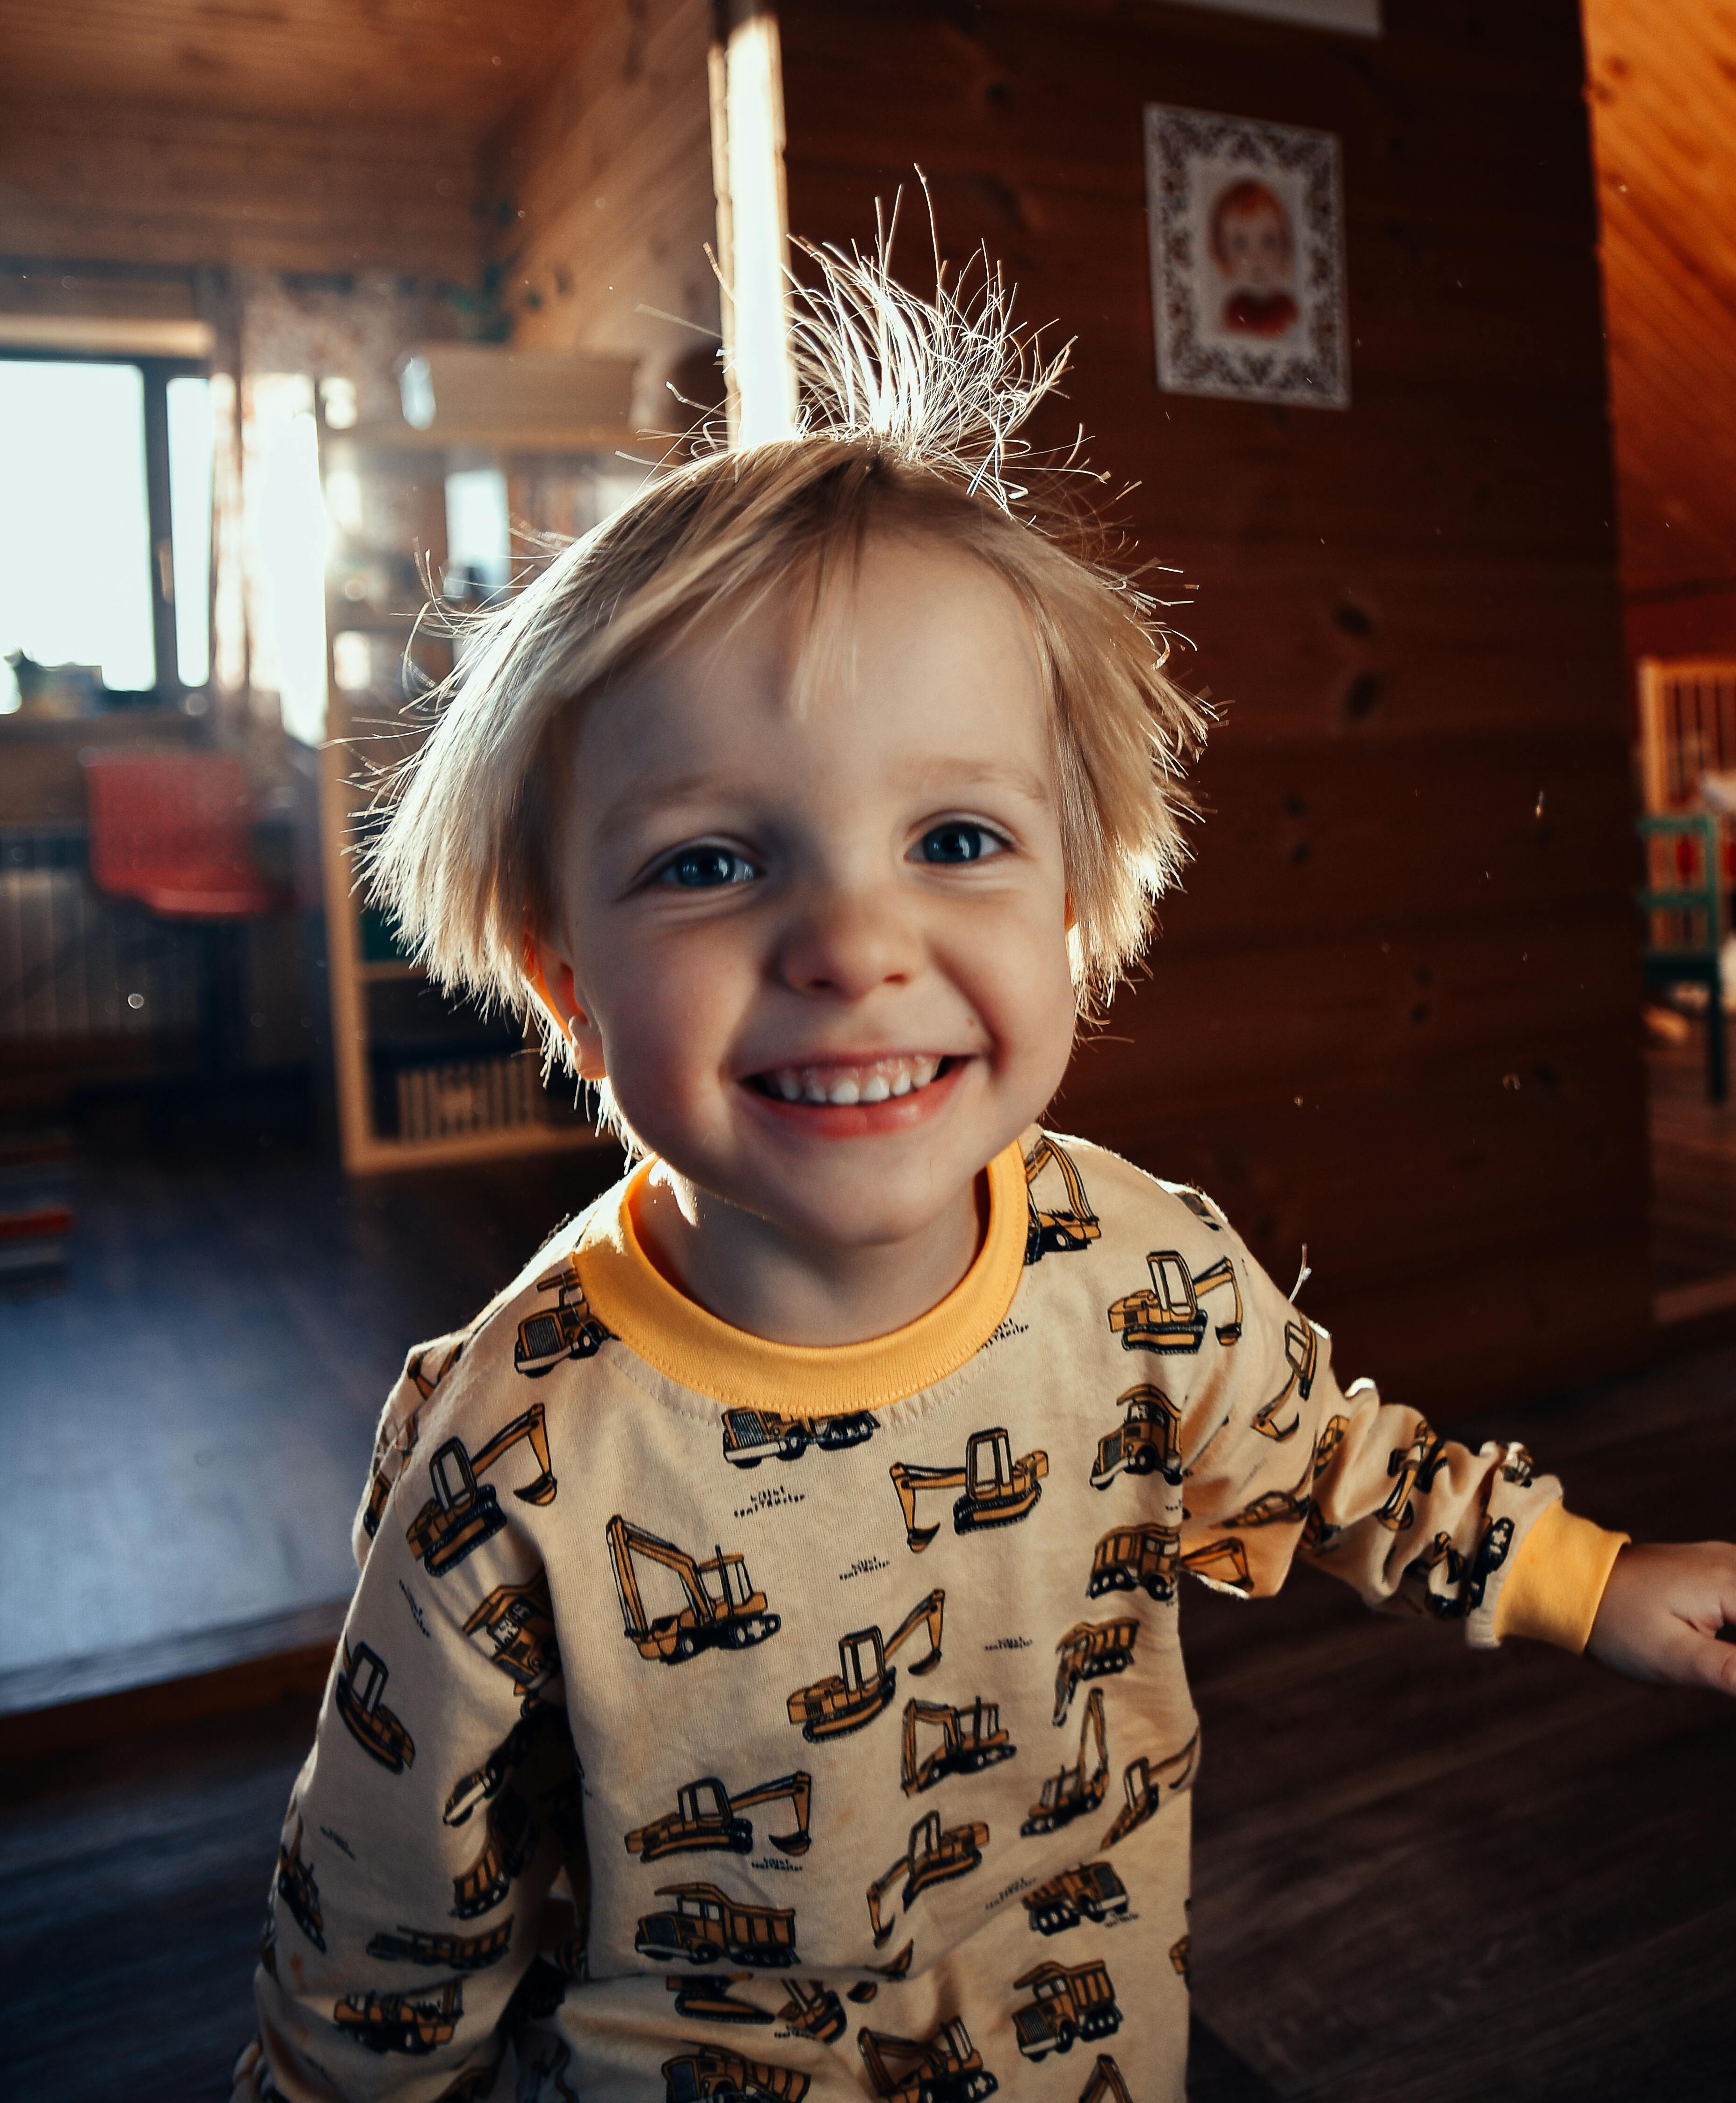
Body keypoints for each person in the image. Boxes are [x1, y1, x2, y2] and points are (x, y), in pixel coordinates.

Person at [238, 242, 1734, 2103]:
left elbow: (1330, 1461)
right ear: (565, 987)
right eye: (710, 862)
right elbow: (383, 1939)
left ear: (1078, 917)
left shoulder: (1142, 1270)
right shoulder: (507, 1451)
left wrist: (1589, 1579)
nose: (852, 945)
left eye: (953, 837)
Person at [1208, 176, 1298, 339]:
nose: (1256, 257)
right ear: (1222, 252)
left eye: (1268, 241)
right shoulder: (1230, 315)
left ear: (1284, 245)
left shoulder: (1289, 311)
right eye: (1240, 243)